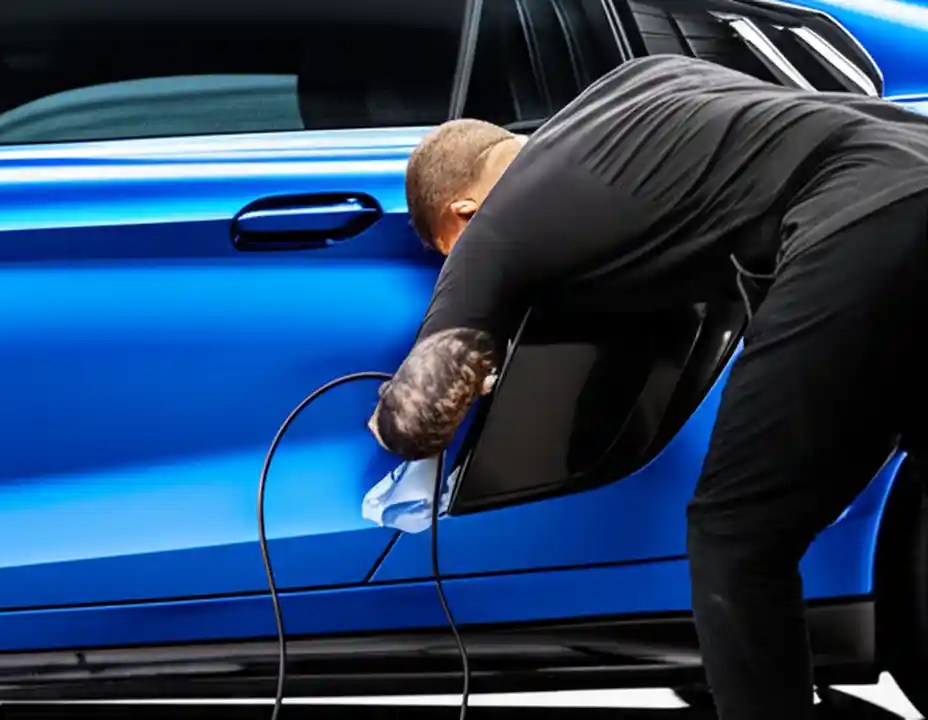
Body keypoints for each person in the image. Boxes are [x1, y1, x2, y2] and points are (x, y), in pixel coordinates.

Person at [367, 53, 928, 720]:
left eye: (447, 254)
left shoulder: (499, 224)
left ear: (462, 214)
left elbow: (423, 416)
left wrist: (388, 419)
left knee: (737, 538)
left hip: (861, 225)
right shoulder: (639, 84)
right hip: (908, 165)